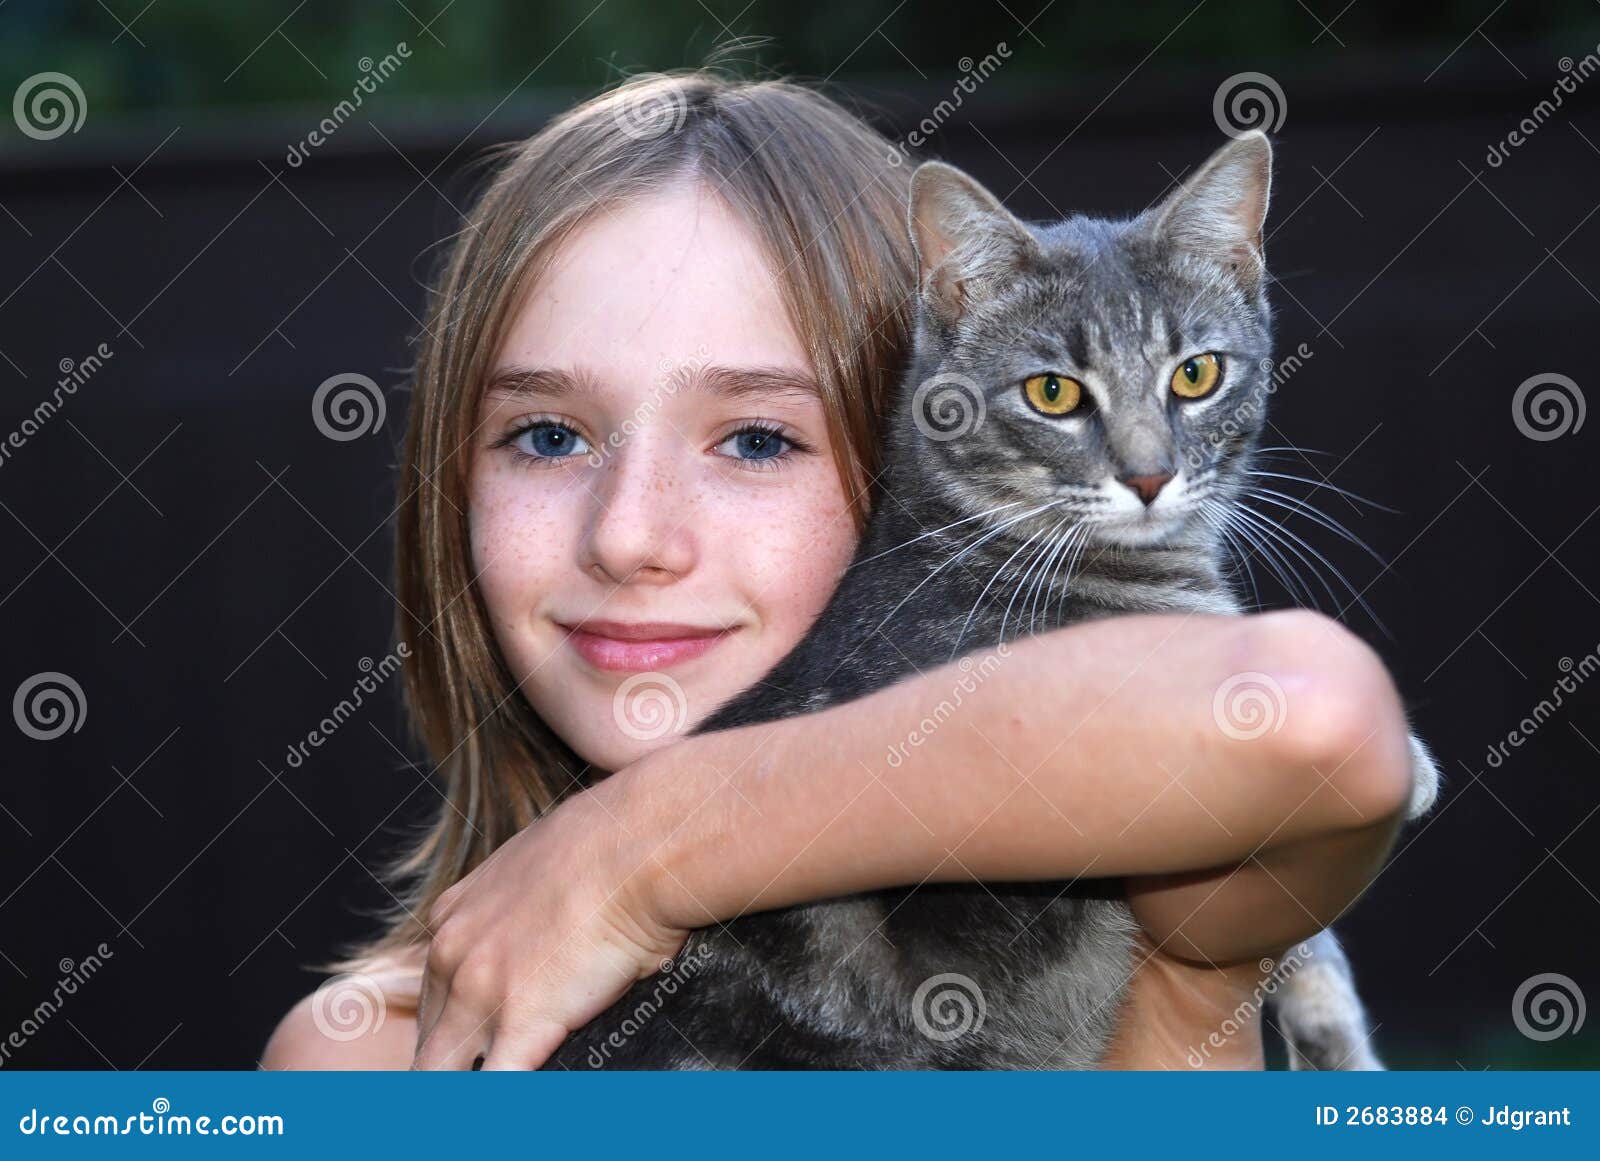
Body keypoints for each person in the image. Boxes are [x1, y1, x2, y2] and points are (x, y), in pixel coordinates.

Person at [261, 68, 1417, 1071]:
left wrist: (640, 848)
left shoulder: (1169, 856)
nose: (627, 536)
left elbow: (1301, 720)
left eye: (758, 440)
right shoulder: (375, 1056)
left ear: (910, 442)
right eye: (548, 436)